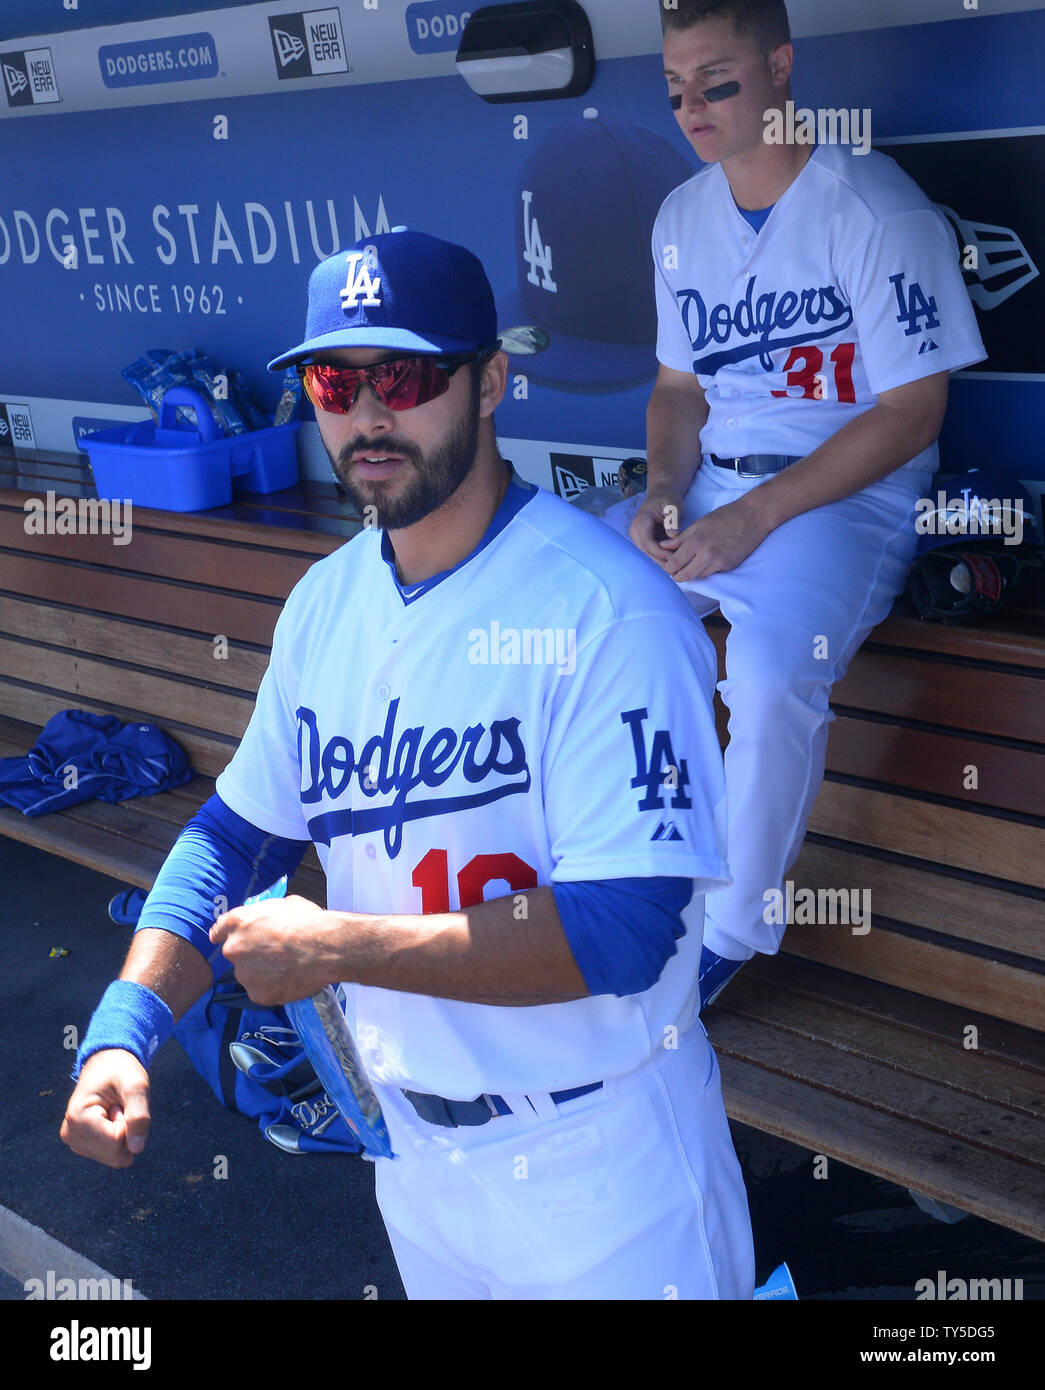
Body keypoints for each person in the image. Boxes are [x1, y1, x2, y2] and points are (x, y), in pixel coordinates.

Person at [61, 229, 755, 1300]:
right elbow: (236, 838)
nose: (369, 414)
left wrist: (338, 946)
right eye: (338, 380)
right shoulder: (324, 604)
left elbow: (625, 925)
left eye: (408, 375)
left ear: (490, 383)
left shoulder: (609, 611)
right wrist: (125, 1028)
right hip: (411, 1156)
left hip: (601, 1163)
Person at [606, 0, 985, 997]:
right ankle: (610, 873)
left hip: (841, 499)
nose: (691, 107)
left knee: (773, 672)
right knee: (585, 605)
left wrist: (755, 517)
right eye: (675, 87)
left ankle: (726, 937)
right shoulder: (679, 216)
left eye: (717, 81)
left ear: (779, 67)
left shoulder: (873, 205)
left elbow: (911, 411)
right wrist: (664, 491)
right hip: (715, 478)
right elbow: (679, 390)